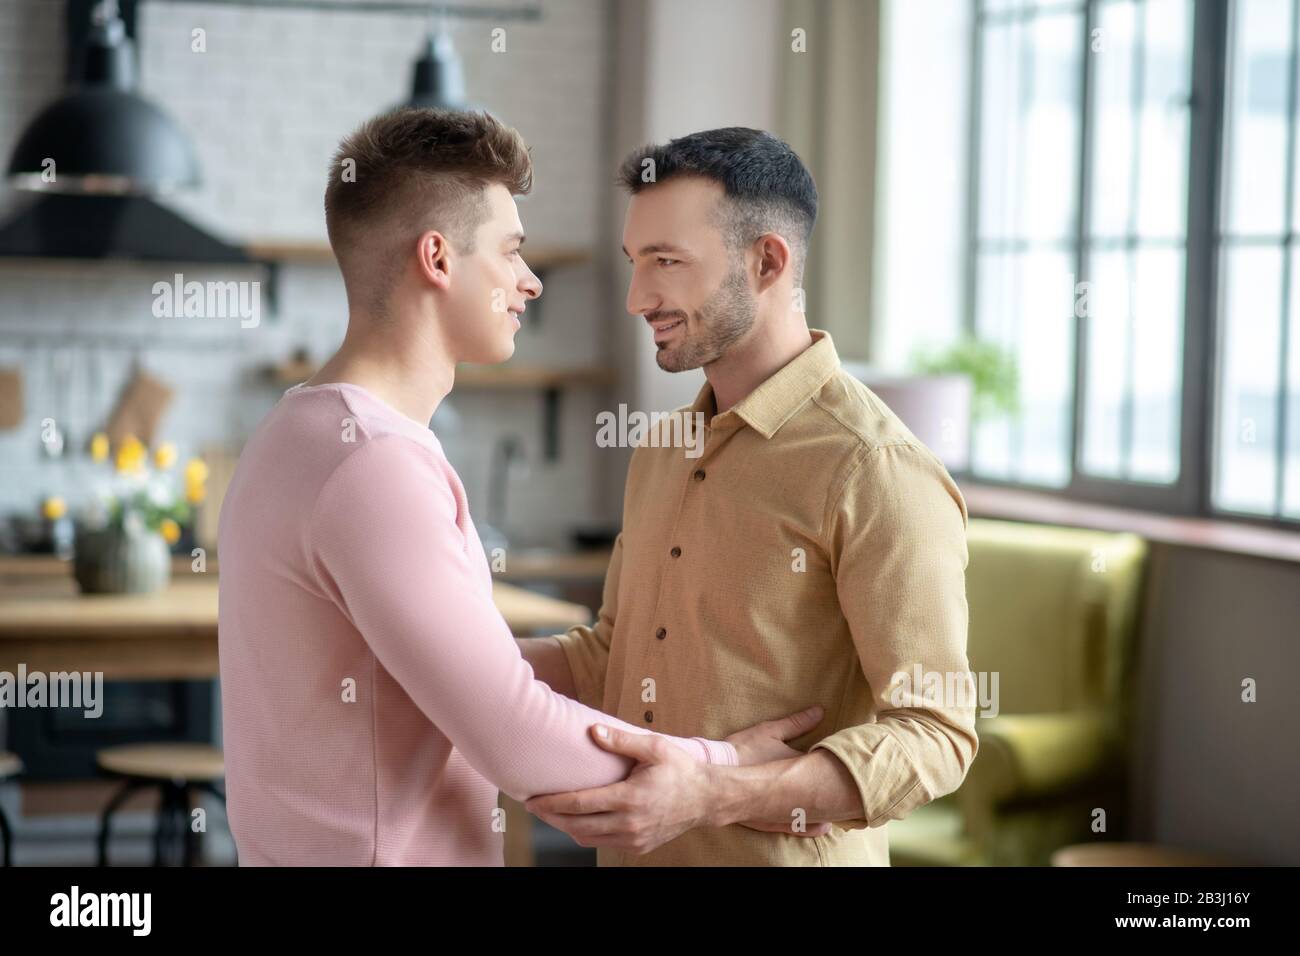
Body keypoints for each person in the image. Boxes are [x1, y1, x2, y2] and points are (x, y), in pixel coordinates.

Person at [216, 109, 822, 866]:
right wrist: (725, 768)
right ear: (437, 259)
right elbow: (514, 735)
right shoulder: (371, 463)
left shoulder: (297, 434)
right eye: (510, 253)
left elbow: (421, 676)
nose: (529, 283)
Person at [519, 127, 979, 866]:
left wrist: (713, 792)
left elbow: (935, 734)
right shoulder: (662, 446)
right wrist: (450, 656)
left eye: (667, 262)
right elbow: (612, 655)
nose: (638, 298)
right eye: (636, 263)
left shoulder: (876, 468)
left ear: (768, 261)